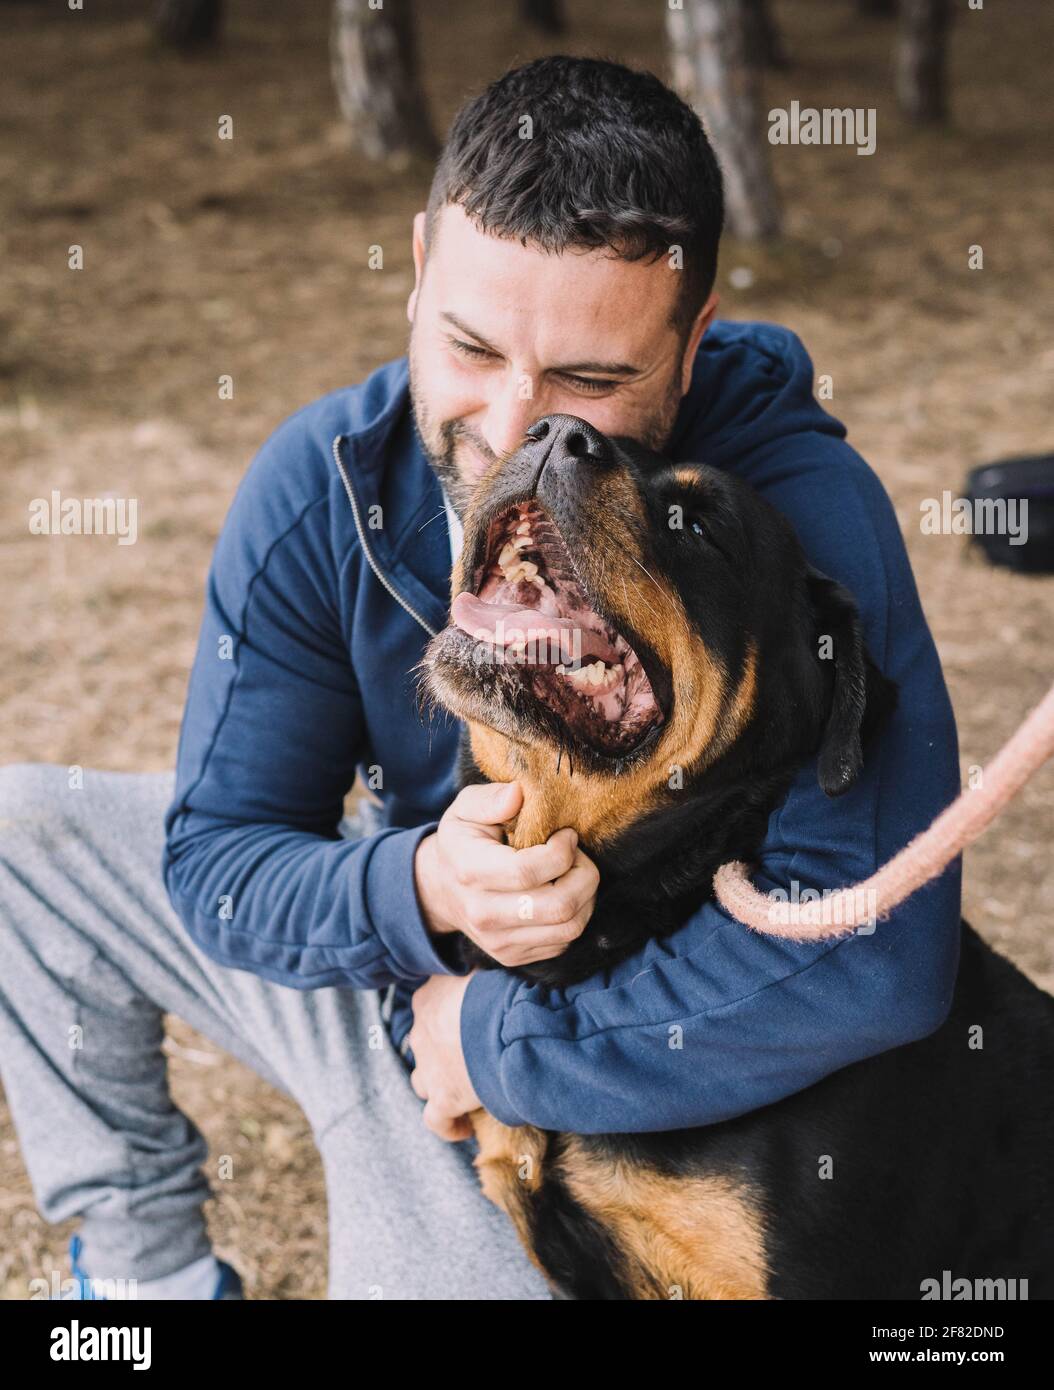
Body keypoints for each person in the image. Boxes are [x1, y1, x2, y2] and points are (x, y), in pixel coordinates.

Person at [0, 55, 961, 1301]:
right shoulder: (318, 488)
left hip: (602, 1050)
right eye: (470, 347)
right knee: (30, 836)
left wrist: (503, 1045)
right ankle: (140, 1293)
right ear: (416, 266)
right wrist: (416, 884)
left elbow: (875, 955)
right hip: (397, 966)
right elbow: (219, 862)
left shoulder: (797, 518)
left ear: (690, 343)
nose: (513, 430)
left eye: (592, 384)